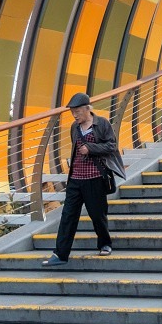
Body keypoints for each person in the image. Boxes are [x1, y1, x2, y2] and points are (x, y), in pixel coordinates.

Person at [42, 92, 120, 267]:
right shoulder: (74, 127)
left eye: (77, 111)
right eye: (72, 112)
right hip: (76, 178)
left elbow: (112, 146)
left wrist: (91, 148)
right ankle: (60, 254)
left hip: (95, 178)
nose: (75, 115)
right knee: (68, 216)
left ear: (87, 108)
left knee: (97, 215)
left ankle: (105, 244)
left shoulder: (102, 124)